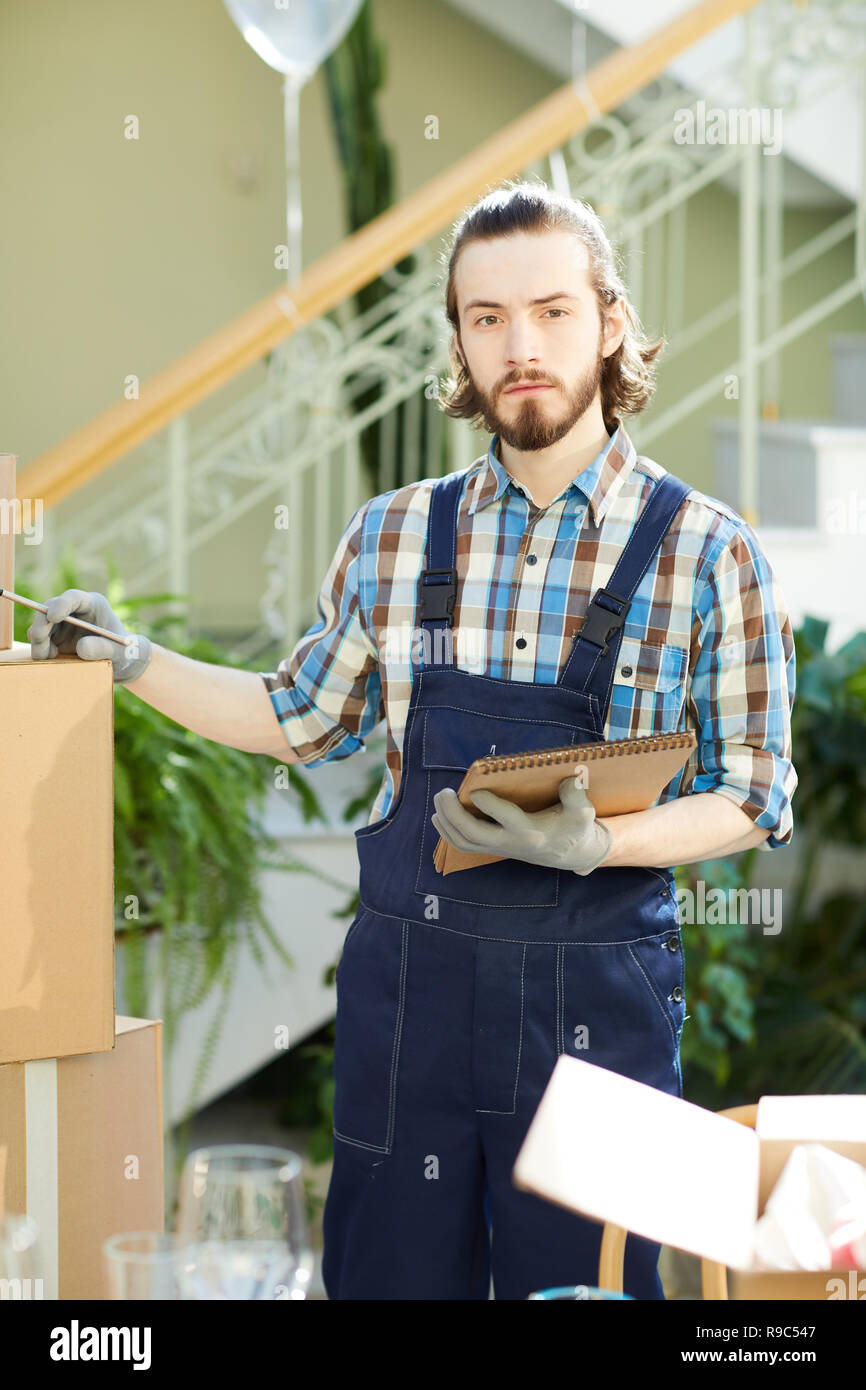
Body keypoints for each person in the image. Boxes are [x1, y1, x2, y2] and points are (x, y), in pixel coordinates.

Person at [29, 181, 797, 1301]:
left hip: (596, 1019)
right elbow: (296, 717)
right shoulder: (393, 536)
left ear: (611, 320)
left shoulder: (709, 554)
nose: (518, 346)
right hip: (411, 1016)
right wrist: (134, 660)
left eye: (549, 310)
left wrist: (601, 846)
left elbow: (750, 791)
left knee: (582, 1291)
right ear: (457, 340)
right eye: (484, 318)